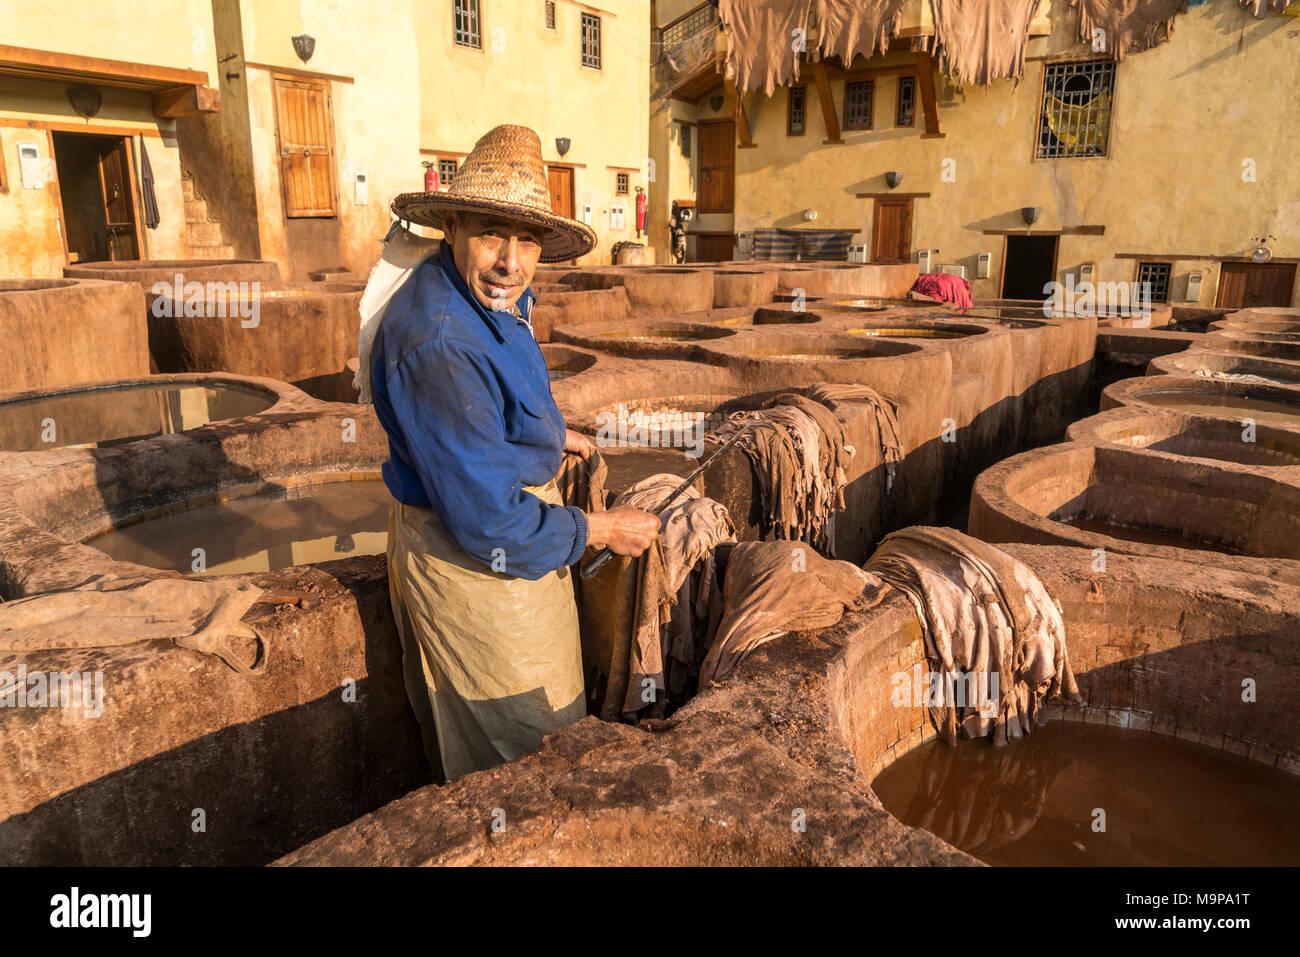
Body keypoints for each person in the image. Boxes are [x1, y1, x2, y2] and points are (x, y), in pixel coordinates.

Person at [366, 124, 660, 780]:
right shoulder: (438, 341)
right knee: (521, 757)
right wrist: (602, 528)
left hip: (520, 534)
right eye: (491, 233)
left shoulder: (494, 293)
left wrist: (552, 437)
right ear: (451, 224)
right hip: (475, 557)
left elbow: (504, 392)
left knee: (552, 725)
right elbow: (488, 520)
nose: (511, 259)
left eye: (527, 238)